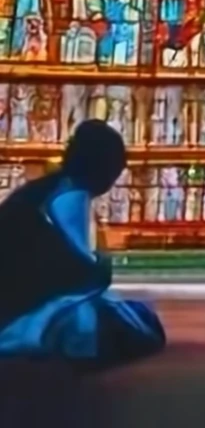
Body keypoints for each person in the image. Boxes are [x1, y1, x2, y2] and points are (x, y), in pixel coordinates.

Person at [0, 120, 165, 365]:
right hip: (24, 304)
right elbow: (79, 266)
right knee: (127, 325)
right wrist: (102, 266)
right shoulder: (68, 195)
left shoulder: (49, 188)